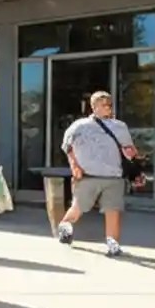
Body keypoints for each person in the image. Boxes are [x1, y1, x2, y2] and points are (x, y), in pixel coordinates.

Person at [56, 91, 139, 257]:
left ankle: (112, 242)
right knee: (79, 206)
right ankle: (65, 225)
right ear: (93, 107)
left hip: (113, 175)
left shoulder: (120, 127)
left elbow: (129, 150)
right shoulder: (79, 126)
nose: (107, 107)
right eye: (103, 104)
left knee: (113, 209)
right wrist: (74, 166)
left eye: (109, 104)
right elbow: (67, 147)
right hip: (88, 175)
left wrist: (132, 154)